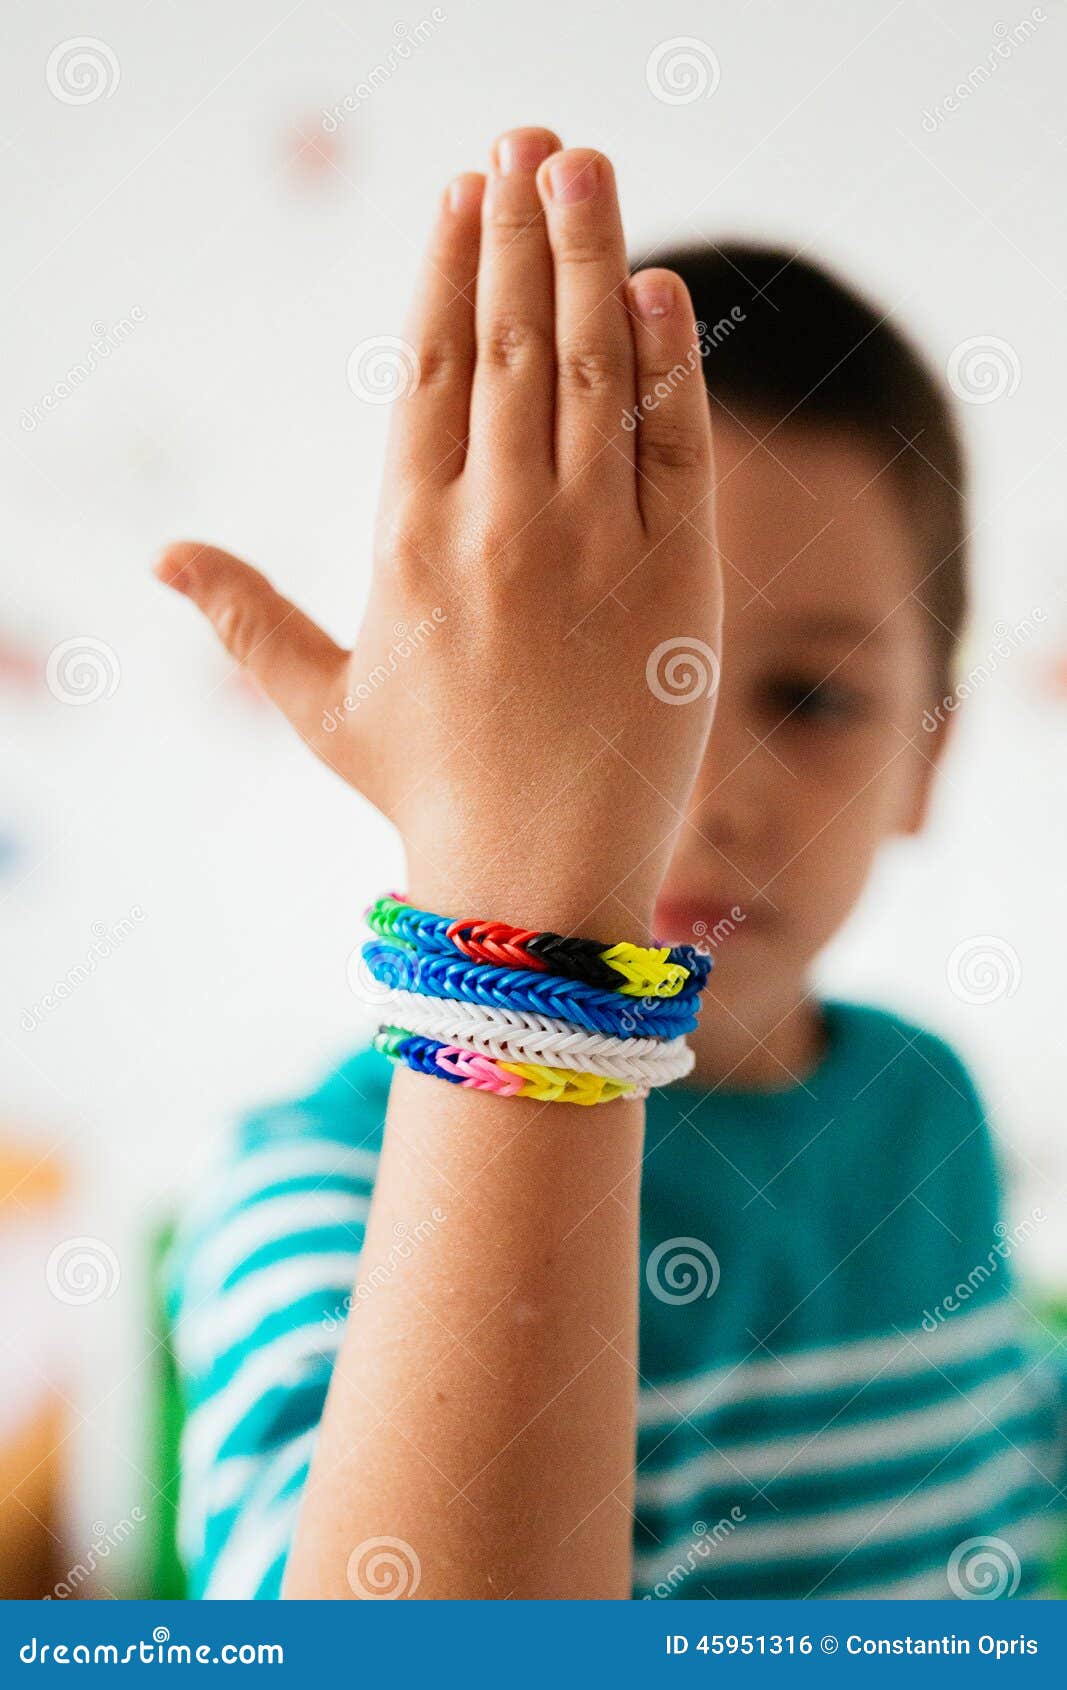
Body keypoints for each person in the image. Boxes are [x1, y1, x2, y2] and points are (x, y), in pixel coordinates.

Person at [159, 127, 1065, 1600]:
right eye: (638, 692)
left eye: (812, 699)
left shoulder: (928, 1105)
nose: (695, 793)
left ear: (931, 757)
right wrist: (528, 907)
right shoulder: (315, 1185)